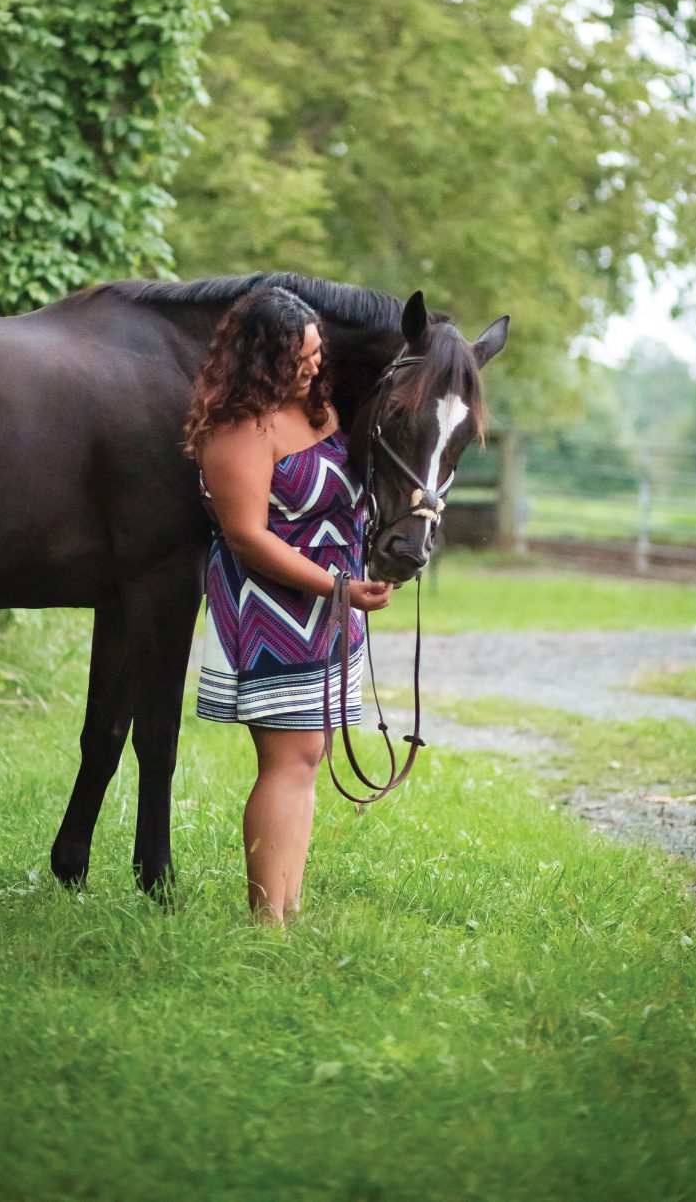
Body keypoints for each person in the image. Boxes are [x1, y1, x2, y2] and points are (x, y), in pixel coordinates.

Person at [183, 285, 393, 925]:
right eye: (298, 359)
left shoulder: (321, 408)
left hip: (330, 610)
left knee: (310, 756)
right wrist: (337, 588)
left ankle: (285, 906)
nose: (311, 366)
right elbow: (247, 536)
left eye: (316, 352)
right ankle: (266, 920)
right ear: (260, 360)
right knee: (289, 758)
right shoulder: (241, 428)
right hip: (272, 612)